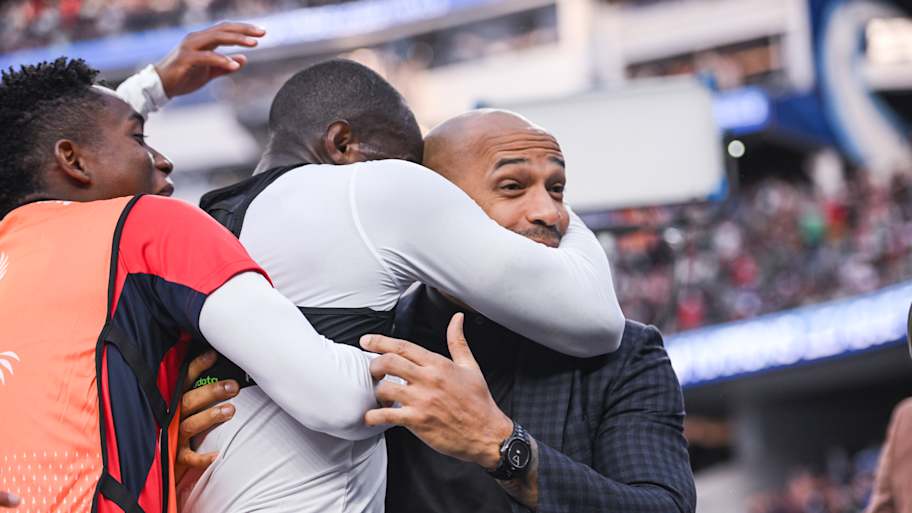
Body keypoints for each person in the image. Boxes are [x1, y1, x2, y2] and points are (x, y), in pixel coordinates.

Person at [112, 58, 625, 513]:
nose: (421, 182)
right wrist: (553, 194)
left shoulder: (211, 222)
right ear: (342, 144)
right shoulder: (370, 187)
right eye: (407, 163)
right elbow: (596, 322)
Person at [0, 51, 418, 513]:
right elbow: (335, 397)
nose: (164, 160)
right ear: (72, 160)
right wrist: (445, 381)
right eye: (139, 138)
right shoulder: (148, 225)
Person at [359, 109, 697, 513]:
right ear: (436, 208)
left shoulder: (625, 355)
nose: (550, 213)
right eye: (513, 186)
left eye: (556, 188)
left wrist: (502, 445)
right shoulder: (369, 344)